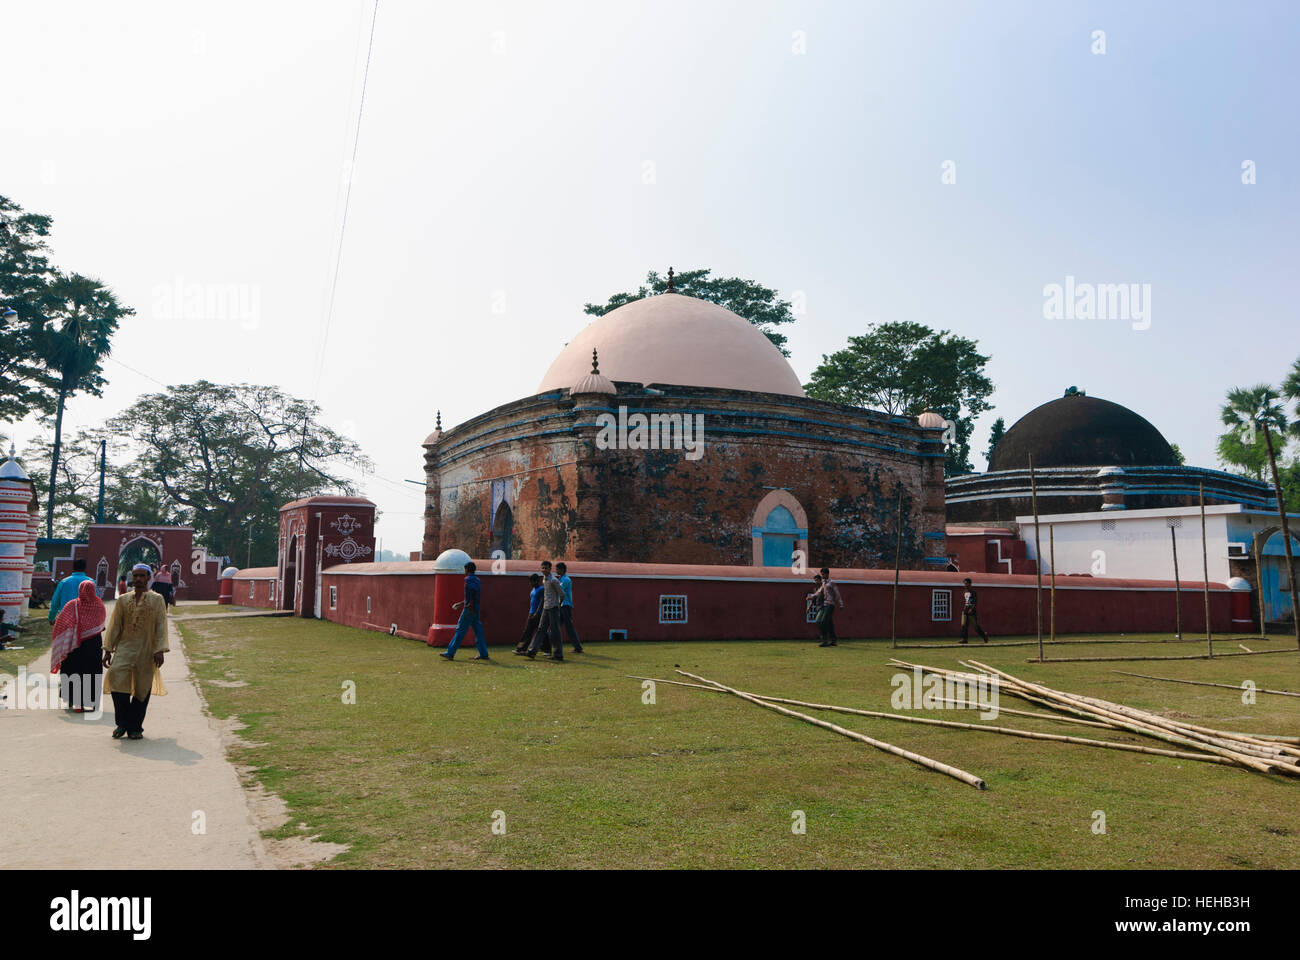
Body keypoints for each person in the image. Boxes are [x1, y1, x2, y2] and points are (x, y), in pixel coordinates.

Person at [102, 563, 169, 740]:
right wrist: (108, 649)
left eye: (142, 576)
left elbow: (161, 625)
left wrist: (160, 649)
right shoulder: (123, 600)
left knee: (142, 688)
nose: (138, 579)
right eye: (136, 576)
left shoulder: (157, 599)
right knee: (117, 680)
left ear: (148, 578)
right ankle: (122, 723)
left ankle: (135, 727)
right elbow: (115, 625)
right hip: (124, 648)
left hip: (146, 650)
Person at [50, 579, 106, 714]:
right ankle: (92, 703)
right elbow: (101, 624)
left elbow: (61, 624)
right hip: (93, 643)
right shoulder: (99, 605)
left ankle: (73, 701)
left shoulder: (72, 605)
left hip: (73, 644)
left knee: (72, 669)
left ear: (79, 590)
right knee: (92, 671)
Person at [439, 561, 490, 661]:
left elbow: (472, 591)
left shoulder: (468, 579)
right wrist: (460, 603)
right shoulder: (477, 580)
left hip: (469, 609)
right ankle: (484, 654)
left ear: (467, 569)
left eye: (465, 569)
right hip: (476, 609)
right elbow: (473, 595)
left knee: (460, 630)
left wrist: (470, 603)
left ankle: (450, 653)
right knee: (478, 632)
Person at [524, 560, 565, 661]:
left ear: (550, 569)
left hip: (553, 608)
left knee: (555, 631)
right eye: (542, 568)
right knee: (541, 629)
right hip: (546, 608)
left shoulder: (553, 580)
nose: (544, 570)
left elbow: (562, 594)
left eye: (546, 568)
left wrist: (558, 605)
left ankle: (558, 654)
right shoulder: (544, 580)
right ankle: (532, 651)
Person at [48, 558, 91, 623]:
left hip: (66, 620)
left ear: (73, 568)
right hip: (85, 620)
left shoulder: (64, 582)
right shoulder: (91, 582)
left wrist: (51, 618)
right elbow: (96, 602)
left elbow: (55, 602)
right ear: (85, 568)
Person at [555, 561, 583, 653]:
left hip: (565, 605)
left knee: (568, 627)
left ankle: (578, 647)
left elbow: (559, 590)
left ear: (562, 570)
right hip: (562, 605)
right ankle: (547, 644)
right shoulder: (561, 579)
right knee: (556, 626)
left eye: (557, 569)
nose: (556, 571)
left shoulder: (566, 580)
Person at [514, 574, 544, 655]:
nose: (531, 583)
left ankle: (521, 648)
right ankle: (546, 649)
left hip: (538, 614)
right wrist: (530, 613)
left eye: (532, 581)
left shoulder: (541, 589)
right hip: (532, 613)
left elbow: (542, 602)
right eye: (530, 581)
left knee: (528, 631)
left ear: (537, 581)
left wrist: (537, 613)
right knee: (539, 631)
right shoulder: (533, 590)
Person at [816, 567, 844, 647]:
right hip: (824, 605)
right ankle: (833, 640)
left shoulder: (832, 583)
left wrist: (841, 604)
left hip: (830, 605)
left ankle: (825, 641)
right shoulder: (823, 583)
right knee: (827, 622)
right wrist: (812, 596)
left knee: (822, 621)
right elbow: (819, 591)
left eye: (823, 574)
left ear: (827, 574)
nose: (822, 576)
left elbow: (837, 594)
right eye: (821, 574)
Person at [958, 578, 990, 644]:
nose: (965, 585)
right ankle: (964, 639)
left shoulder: (973, 592)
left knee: (975, 626)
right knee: (963, 625)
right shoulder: (965, 592)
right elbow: (966, 601)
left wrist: (971, 609)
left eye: (966, 583)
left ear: (970, 584)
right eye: (964, 583)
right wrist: (965, 608)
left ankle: (984, 635)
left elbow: (975, 602)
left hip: (971, 611)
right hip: (965, 610)